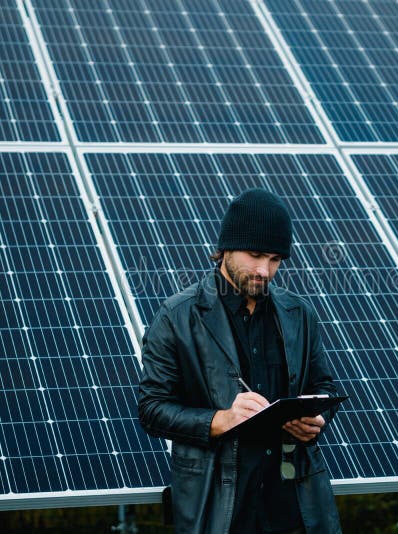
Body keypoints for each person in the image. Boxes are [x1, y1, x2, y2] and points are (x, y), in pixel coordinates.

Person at [137, 188, 342, 533]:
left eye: (276, 259)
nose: (265, 269)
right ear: (226, 248)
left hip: (294, 505)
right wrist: (220, 419)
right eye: (256, 254)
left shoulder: (298, 313)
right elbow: (152, 410)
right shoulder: (177, 315)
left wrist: (315, 416)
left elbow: (324, 385)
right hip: (219, 509)